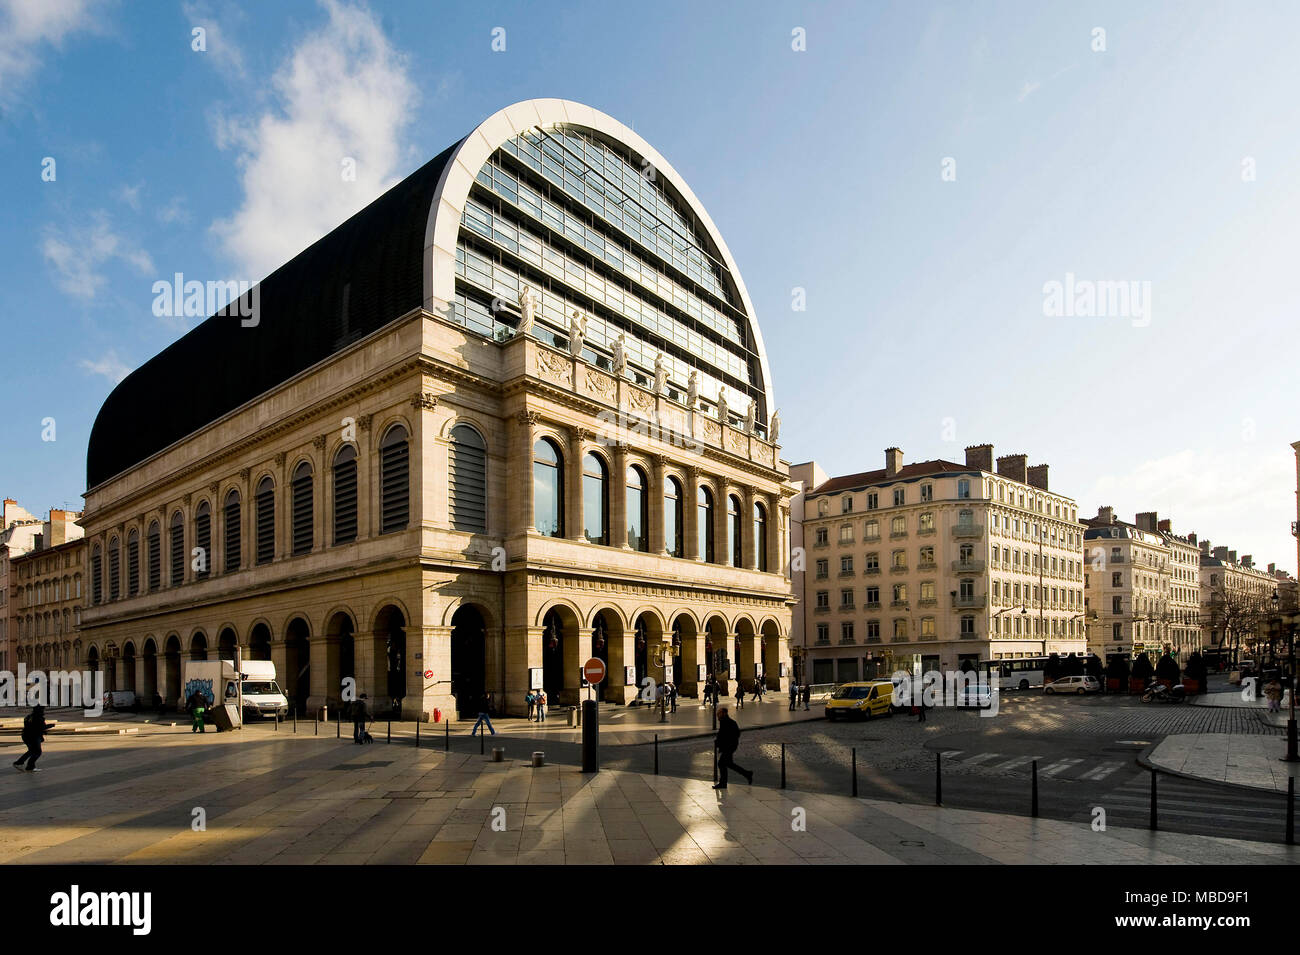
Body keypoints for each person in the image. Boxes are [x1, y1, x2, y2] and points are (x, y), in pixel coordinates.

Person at [713, 706, 752, 789]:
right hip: (729, 746)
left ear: (724, 713)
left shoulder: (727, 722)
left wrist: (721, 742)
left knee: (721, 764)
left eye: (719, 713)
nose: (717, 715)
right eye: (717, 713)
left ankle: (723, 783)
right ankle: (747, 774)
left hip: (729, 747)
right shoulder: (725, 721)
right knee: (728, 764)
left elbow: (728, 735)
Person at [13, 705, 54, 772]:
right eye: (42, 709)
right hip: (33, 736)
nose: (43, 711)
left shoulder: (29, 716)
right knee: (37, 752)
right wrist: (50, 726)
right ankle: (25, 764)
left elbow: (31, 726)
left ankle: (23, 764)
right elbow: (40, 727)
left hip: (26, 735)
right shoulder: (38, 717)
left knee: (32, 750)